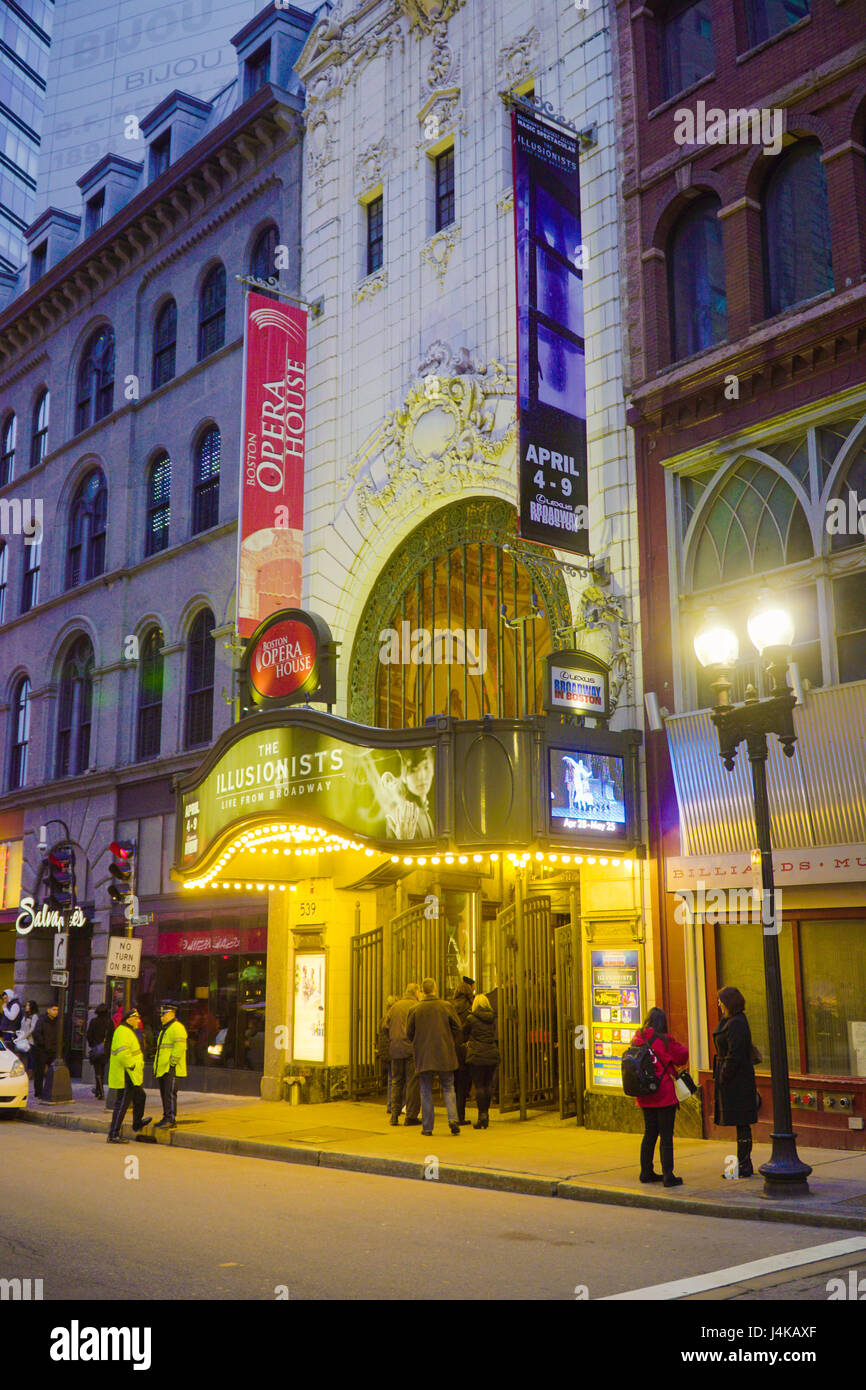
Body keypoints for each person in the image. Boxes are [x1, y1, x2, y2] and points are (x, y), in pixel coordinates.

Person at [630, 1006, 689, 1187]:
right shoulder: (665, 1040)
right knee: (666, 1135)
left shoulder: (637, 1038)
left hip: (645, 1094)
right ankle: (668, 1175)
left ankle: (645, 1172)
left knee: (649, 1133)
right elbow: (683, 1056)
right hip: (663, 1094)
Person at [406, 977, 461, 1137]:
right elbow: (458, 1028)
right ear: (435, 989)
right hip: (444, 1053)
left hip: (424, 1055)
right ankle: (453, 1119)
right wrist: (451, 1043)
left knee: (425, 1090)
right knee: (448, 1087)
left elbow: (409, 1034)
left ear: (423, 991)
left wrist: (419, 1043)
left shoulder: (415, 1009)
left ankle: (428, 1127)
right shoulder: (446, 1006)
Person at [713, 985, 758, 1179]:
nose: (718, 1004)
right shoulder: (731, 1021)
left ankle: (743, 1164)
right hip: (734, 1078)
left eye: (721, 1001)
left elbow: (735, 1053)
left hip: (738, 1080)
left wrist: (724, 1075)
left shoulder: (737, 1023)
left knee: (742, 1122)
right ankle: (743, 1163)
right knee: (741, 1124)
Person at [106, 1007, 152, 1142]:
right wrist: (131, 1066)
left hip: (130, 1073)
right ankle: (113, 1134)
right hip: (126, 1074)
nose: (138, 1021)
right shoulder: (123, 1032)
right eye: (136, 1018)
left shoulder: (127, 1031)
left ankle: (137, 1123)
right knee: (122, 1104)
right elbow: (123, 1054)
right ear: (130, 1019)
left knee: (140, 1096)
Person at [386, 984, 422, 1126]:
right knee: (412, 1083)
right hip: (410, 1049)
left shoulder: (395, 1007)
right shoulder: (416, 1006)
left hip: (395, 1049)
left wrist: (393, 1038)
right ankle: (411, 1116)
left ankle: (394, 1115)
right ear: (415, 992)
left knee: (396, 1082)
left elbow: (385, 1026)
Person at [464, 992, 500, 1129]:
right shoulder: (492, 1018)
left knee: (479, 1086)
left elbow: (464, 1033)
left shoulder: (471, 1019)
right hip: (491, 1053)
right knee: (488, 1085)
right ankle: (487, 1115)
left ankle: (482, 1116)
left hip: (477, 1054)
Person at [153, 1001, 187, 1129]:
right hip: (163, 1068)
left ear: (172, 1014)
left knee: (170, 1094)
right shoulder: (166, 1029)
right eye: (161, 1015)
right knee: (165, 1094)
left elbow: (180, 1047)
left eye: (164, 1015)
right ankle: (166, 1116)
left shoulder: (177, 1028)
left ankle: (171, 1119)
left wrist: (172, 1062)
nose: (161, 1017)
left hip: (171, 1068)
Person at [450, 977, 475, 1124]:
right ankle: (460, 1116)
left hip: (452, 1049)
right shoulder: (470, 1009)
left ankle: (452, 1115)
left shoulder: (450, 1007)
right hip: (464, 1049)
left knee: (451, 1085)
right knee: (462, 1085)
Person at [31, 1003, 60, 1100]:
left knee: (53, 1071)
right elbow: (36, 1033)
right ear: (48, 1010)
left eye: (57, 1010)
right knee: (39, 1072)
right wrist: (43, 1043)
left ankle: (49, 1091)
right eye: (54, 1009)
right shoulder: (42, 1020)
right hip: (42, 1050)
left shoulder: (58, 1021)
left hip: (53, 1050)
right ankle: (38, 1093)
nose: (56, 1012)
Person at [86, 1003, 110, 1099]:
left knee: (97, 1070)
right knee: (102, 1070)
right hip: (106, 1049)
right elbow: (111, 1036)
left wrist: (93, 1045)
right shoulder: (109, 1022)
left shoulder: (94, 1021)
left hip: (96, 1048)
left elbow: (89, 1035)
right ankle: (98, 1090)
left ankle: (100, 1091)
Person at [378, 994, 395, 1115]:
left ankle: (389, 1104)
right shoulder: (392, 1019)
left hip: (385, 1052)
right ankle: (394, 1104)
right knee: (397, 1079)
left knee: (391, 1079)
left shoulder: (383, 1019)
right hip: (393, 1051)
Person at [13, 1000, 39, 1074]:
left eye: (28, 1005)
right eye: (26, 1005)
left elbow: (32, 1028)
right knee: (21, 1054)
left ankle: (30, 1071)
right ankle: (22, 1070)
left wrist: (24, 1036)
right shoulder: (25, 1015)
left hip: (29, 1039)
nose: (26, 1007)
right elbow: (22, 1026)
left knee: (30, 1056)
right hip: (21, 1038)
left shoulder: (34, 1016)